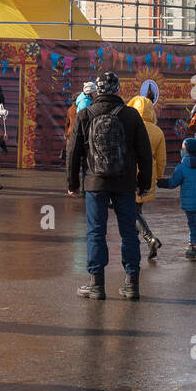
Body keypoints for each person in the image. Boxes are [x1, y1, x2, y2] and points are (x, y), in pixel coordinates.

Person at [66, 72, 152, 300]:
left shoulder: (84, 115)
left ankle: (96, 285)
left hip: (96, 182)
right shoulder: (131, 115)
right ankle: (132, 284)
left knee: (96, 232)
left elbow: (73, 153)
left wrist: (73, 183)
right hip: (125, 183)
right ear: (117, 89)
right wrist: (144, 184)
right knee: (128, 233)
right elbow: (144, 153)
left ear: (99, 90)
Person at [157, 137, 196, 260]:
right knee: (193, 222)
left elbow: (173, 183)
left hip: (189, 203)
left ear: (185, 151)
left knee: (193, 224)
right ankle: (191, 245)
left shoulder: (181, 168)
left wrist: (161, 183)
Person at [128, 94, 165, 261]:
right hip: (147, 173)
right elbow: (161, 158)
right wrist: (159, 176)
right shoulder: (157, 131)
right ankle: (135, 243)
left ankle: (150, 239)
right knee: (136, 210)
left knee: (131, 211)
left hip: (129, 173)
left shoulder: (129, 125)